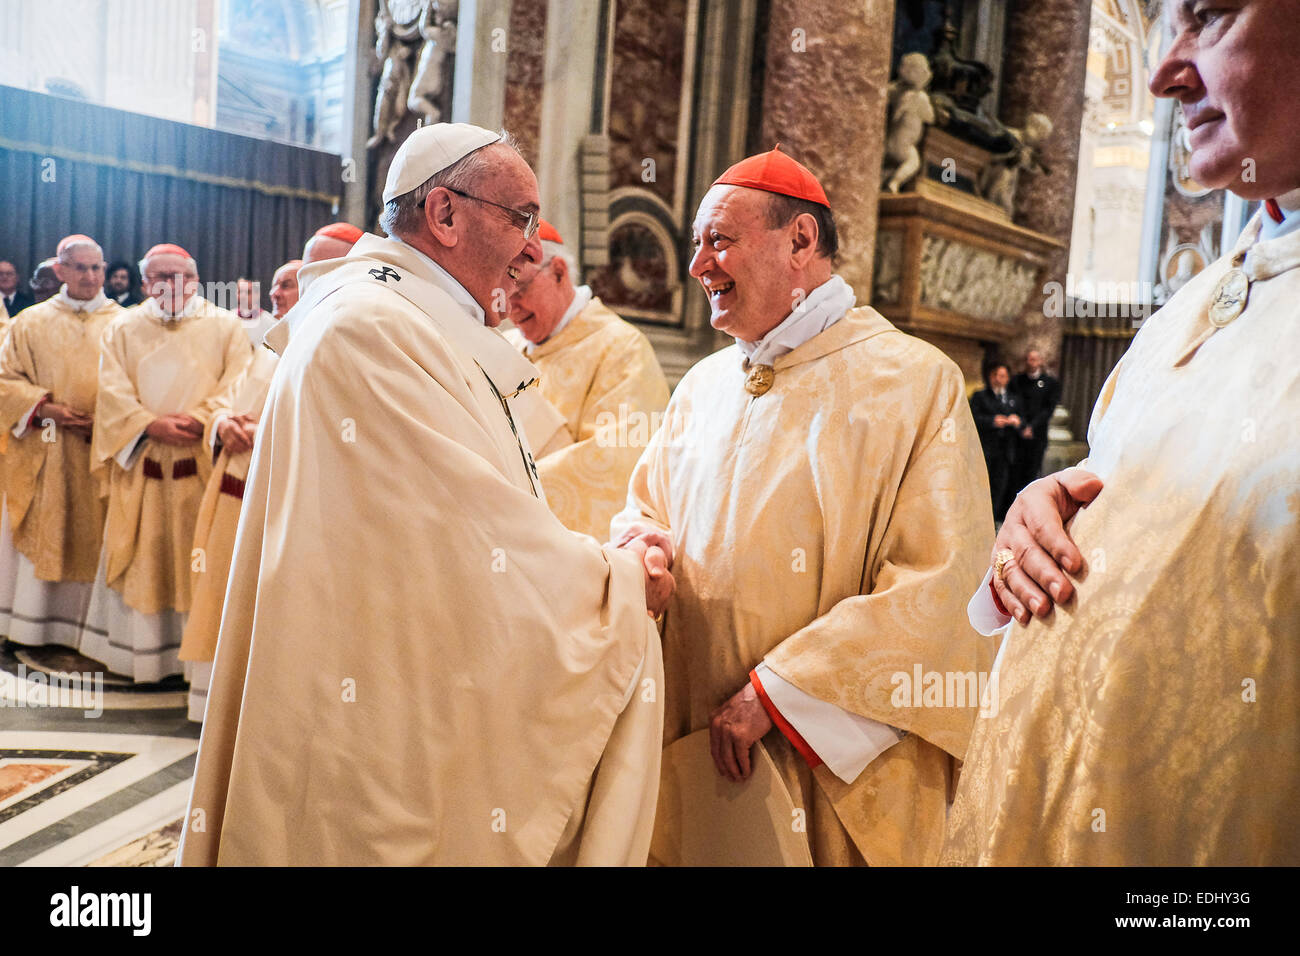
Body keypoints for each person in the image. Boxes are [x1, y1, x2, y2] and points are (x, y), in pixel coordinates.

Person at [179, 123, 671, 866]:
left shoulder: (409, 320)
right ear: (444, 215)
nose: (534, 250)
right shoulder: (374, 331)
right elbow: (465, 540)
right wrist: (620, 582)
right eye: (521, 219)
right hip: (366, 715)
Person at [945, 0, 1300, 865]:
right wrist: (1034, 523)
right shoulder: (1184, 311)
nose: (1163, 71)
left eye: (1209, 20)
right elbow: (1110, 503)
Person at [612, 147, 995, 866]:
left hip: (822, 761)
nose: (697, 266)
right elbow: (645, 505)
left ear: (800, 242)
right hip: (690, 736)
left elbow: (941, 585)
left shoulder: (913, 382)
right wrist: (642, 548)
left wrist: (784, 693)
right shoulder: (700, 385)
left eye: (718, 240)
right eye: (696, 244)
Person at [79, 243, 252, 682]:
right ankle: (144, 655)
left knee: (200, 556)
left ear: (195, 280)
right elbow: (111, 389)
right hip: (145, 460)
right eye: (160, 277)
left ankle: (195, 665)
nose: (171, 285)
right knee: (144, 551)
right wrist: (146, 424)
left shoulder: (226, 326)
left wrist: (200, 419)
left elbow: (239, 383)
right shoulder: (122, 328)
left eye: (180, 276)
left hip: (201, 463)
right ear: (144, 283)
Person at [178, 259, 299, 722]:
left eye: (285, 285)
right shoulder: (270, 344)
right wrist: (224, 422)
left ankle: (246, 715)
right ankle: (212, 706)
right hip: (231, 492)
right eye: (273, 286)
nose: (275, 296)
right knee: (221, 601)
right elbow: (230, 399)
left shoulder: (327, 346)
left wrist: (263, 429)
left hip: (273, 505)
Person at [503, 220, 669, 539]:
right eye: (502, 293)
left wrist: (499, 495)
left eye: (520, 289)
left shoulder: (621, 348)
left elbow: (614, 464)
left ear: (559, 272)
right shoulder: (503, 349)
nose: (511, 308)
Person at [0, 236, 120, 649]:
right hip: (45, 448)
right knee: (49, 527)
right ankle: (35, 626)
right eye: (81, 268)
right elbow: (4, 380)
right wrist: (46, 410)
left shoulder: (124, 323)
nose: (91, 276)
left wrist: (109, 422)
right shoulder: (29, 322)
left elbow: (140, 389)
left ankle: (94, 633)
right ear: (61, 271)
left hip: (101, 449)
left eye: (97, 268)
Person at [969, 360, 1024, 522]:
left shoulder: (1014, 399)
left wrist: (1017, 421)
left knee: (999, 486)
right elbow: (972, 418)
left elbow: (1024, 422)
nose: (1001, 379)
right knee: (981, 485)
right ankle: (976, 518)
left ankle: (991, 519)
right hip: (986, 448)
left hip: (1006, 450)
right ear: (991, 377)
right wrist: (992, 421)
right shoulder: (980, 396)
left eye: (1004, 376)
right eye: (998, 375)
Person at [1009, 348, 1060, 493]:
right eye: (1028, 359)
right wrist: (1023, 426)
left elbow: (1048, 409)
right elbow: (1015, 404)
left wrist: (1032, 427)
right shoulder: (1017, 381)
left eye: (1034, 359)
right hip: (1018, 433)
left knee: (1032, 471)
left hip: (1038, 433)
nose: (1031, 363)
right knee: (1015, 472)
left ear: (1040, 361)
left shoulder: (1050, 383)